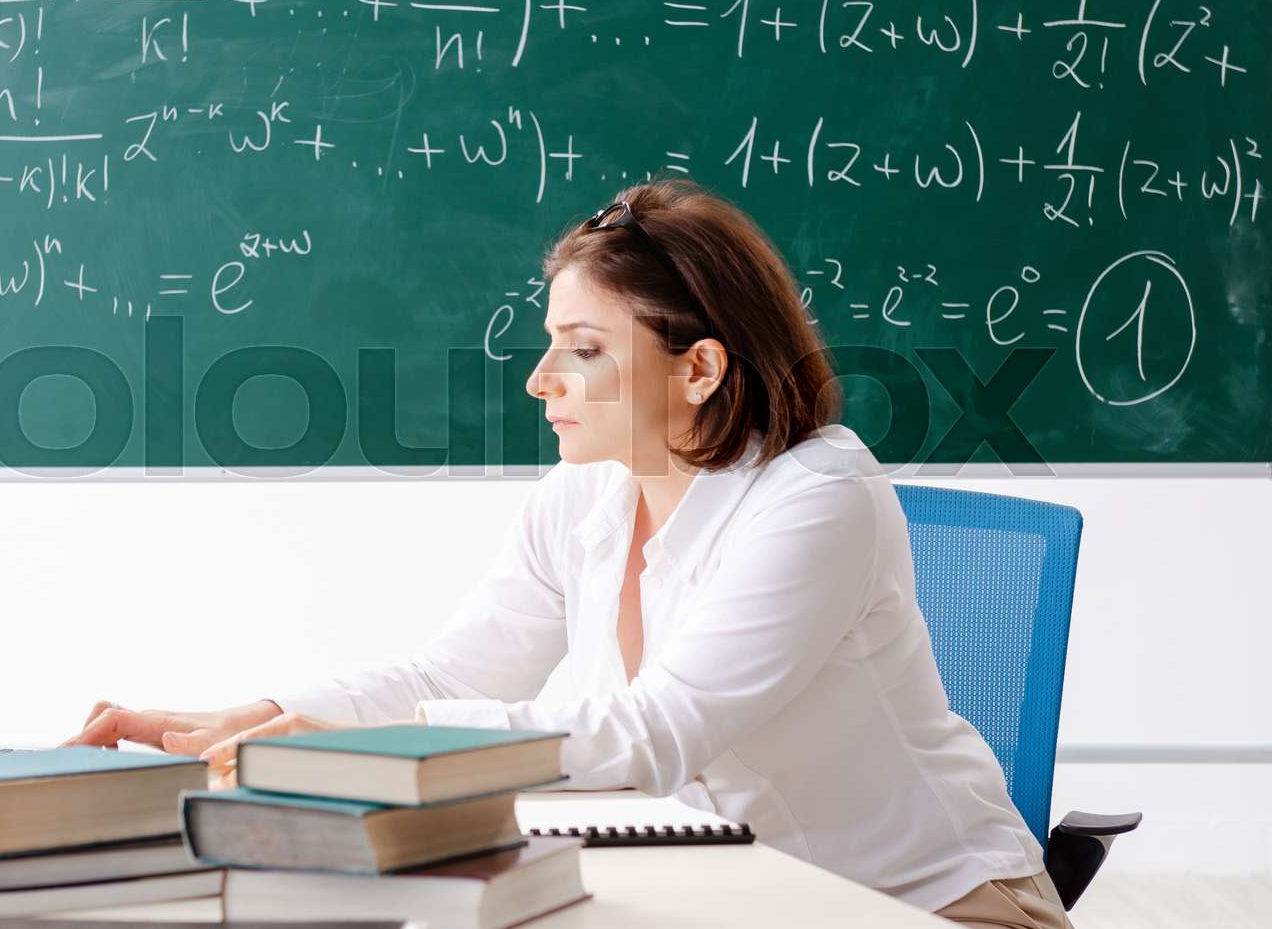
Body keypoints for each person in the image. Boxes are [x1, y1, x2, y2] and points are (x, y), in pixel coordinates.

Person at [66, 179, 1072, 928]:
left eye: (582, 347)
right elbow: (450, 672)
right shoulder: (586, 492)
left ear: (700, 367)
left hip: (934, 905)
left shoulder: (817, 496)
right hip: (741, 887)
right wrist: (284, 715)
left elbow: (654, 731)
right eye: (549, 342)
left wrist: (367, 752)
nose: (542, 379)